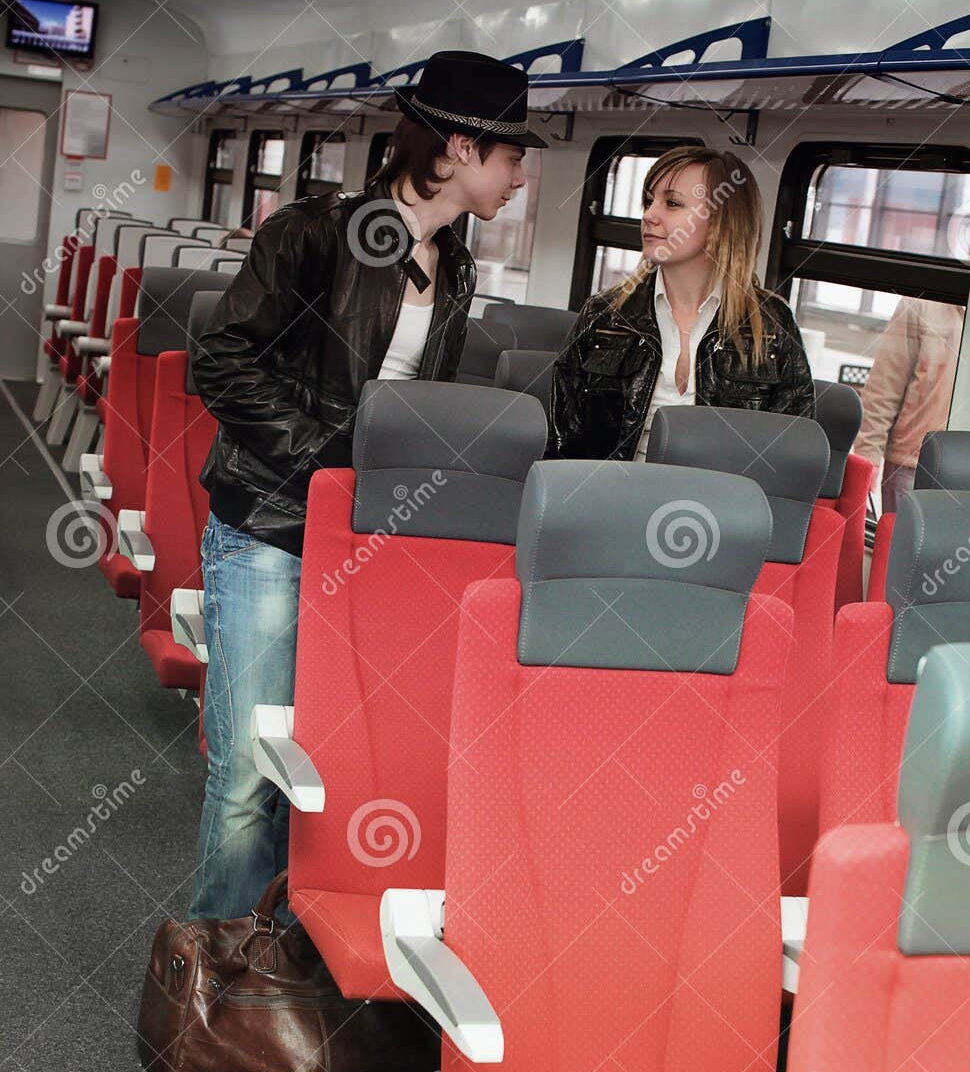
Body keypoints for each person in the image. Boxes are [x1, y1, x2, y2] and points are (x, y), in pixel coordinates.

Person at [187, 50, 546, 922]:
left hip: (369, 544)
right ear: (460, 148)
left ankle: (286, 959)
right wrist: (328, 464)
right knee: (248, 773)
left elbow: (413, 410)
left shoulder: (454, 269)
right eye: (511, 158)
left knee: (332, 762)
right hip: (270, 527)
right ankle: (219, 982)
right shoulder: (311, 233)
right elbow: (221, 361)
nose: (519, 178)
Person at [550, 145, 814, 460]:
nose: (649, 215)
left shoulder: (771, 321)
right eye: (649, 201)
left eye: (672, 203)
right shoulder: (604, 314)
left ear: (720, 221)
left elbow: (790, 455)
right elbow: (561, 440)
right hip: (612, 498)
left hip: (718, 504)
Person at [853, 297, 965, 512]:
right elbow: (884, 386)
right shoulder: (921, 302)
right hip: (911, 463)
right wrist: (867, 457)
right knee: (897, 543)